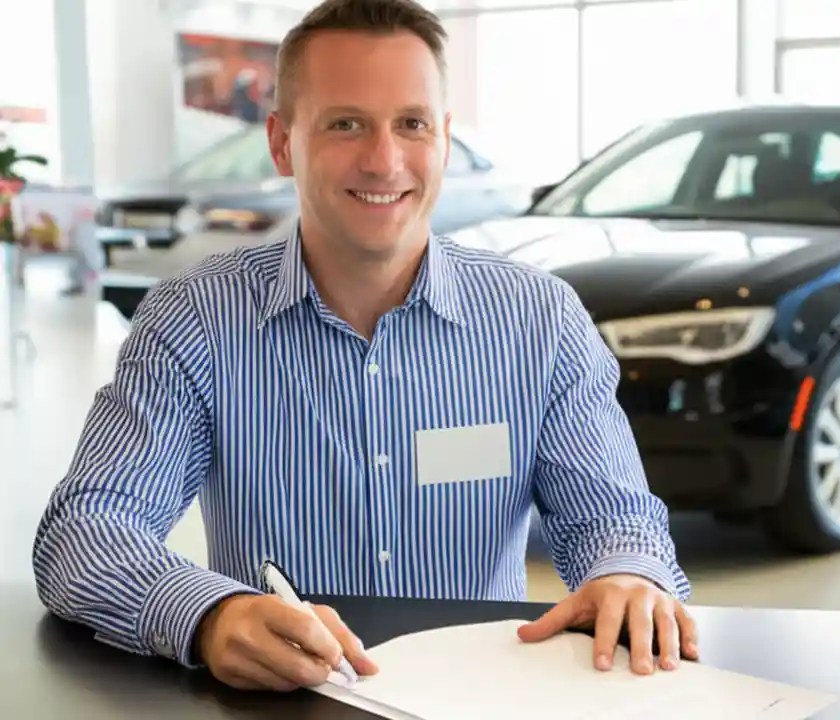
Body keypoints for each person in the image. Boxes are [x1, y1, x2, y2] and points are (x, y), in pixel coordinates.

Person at [31, 0, 696, 693]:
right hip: (282, 704)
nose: (384, 161)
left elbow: (615, 516)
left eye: (411, 124)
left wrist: (628, 574)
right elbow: (86, 529)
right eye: (346, 124)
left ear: (442, 137)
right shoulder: (196, 321)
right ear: (283, 143)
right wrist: (209, 614)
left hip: (478, 701)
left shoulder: (541, 321)